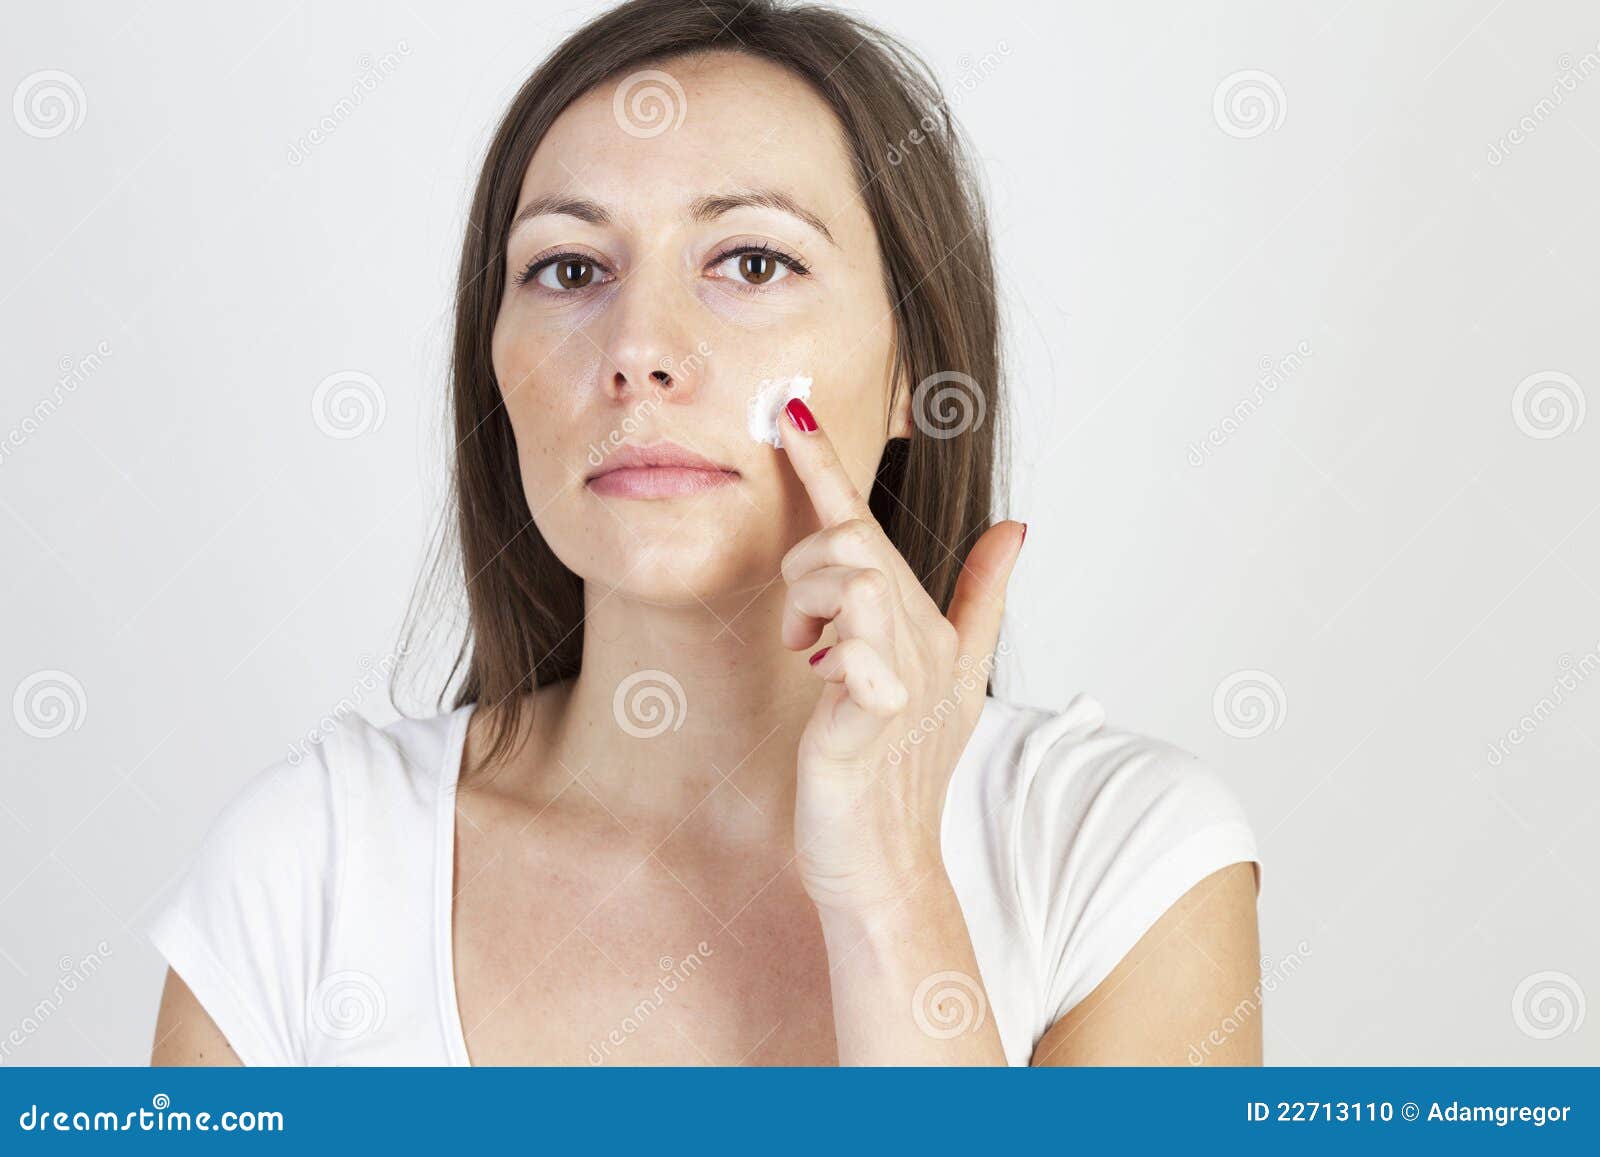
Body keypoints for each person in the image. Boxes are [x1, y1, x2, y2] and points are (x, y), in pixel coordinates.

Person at [148, 0, 1261, 1066]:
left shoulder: (1117, 853)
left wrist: (890, 890)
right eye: (569, 269)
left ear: (913, 365)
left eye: (753, 261)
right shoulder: (309, 867)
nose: (638, 347)